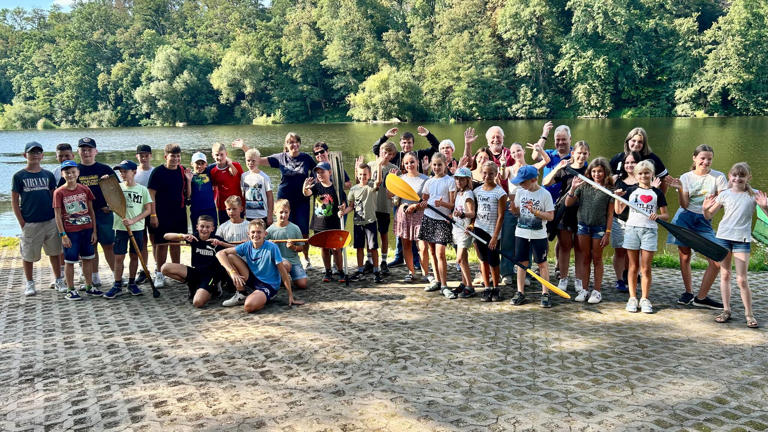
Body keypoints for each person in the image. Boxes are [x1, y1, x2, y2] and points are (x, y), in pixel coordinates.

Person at [232, 133, 316, 269]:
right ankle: (280, 258)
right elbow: (257, 160)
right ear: (286, 145)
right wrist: (244, 147)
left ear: (299, 143)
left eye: (295, 142)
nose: (293, 145)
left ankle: (306, 258)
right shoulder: (280, 158)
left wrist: (315, 184)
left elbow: (317, 171)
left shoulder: (306, 158)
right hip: (284, 199)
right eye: (290, 142)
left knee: (303, 231)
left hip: (302, 200)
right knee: (281, 228)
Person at [703, 163, 766, 328]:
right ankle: (726, 310)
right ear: (730, 176)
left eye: (742, 176)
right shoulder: (724, 194)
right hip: (723, 238)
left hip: (741, 240)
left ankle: (749, 314)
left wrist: (765, 207)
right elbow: (709, 215)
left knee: (741, 279)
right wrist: (704, 209)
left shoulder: (755, 195)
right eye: (735, 175)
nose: (737, 178)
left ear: (748, 177)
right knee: (724, 275)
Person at [665, 144, 726, 309]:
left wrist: (707, 212)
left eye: (709, 159)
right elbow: (684, 205)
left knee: (716, 261)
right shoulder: (685, 177)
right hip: (684, 218)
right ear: (694, 158)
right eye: (702, 158)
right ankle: (688, 292)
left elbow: (720, 203)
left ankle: (701, 297)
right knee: (685, 256)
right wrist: (679, 190)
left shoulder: (719, 177)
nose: (706, 162)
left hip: (704, 220)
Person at [374, 126, 439, 269]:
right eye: (403, 143)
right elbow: (376, 149)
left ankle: (416, 261)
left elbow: (437, 147)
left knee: (417, 233)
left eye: (409, 142)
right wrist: (386, 136)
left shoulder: (419, 154)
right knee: (401, 232)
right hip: (400, 200)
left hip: (416, 199)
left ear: (413, 143)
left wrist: (428, 134)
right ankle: (399, 257)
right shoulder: (396, 156)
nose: (406, 145)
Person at [62, 137, 117, 289]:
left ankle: (116, 276)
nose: (86, 152)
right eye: (83, 149)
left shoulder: (105, 169)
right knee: (90, 246)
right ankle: (94, 277)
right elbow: (62, 192)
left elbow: (117, 191)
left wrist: (111, 205)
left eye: (89, 149)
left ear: (95, 151)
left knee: (108, 245)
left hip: (103, 214)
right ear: (78, 152)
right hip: (82, 216)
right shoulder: (73, 170)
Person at [615, 160, 668, 314]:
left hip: (649, 231)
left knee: (645, 268)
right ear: (636, 175)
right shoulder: (631, 191)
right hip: (632, 229)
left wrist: (657, 215)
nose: (644, 175)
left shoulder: (657, 193)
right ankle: (632, 298)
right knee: (632, 266)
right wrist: (618, 197)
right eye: (641, 173)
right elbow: (618, 211)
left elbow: (666, 215)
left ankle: (644, 298)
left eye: (647, 173)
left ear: (652, 174)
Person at [216, 219, 304, 312]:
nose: (256, 235)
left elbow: (283, 273)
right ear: (248, 234)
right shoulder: (247, 245)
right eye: (253, 232)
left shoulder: (272, 247)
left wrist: (290, 296)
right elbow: (220, 254)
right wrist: (232, 272)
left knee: (248, 307)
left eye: (259, 232)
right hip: (253, 279)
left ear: (265, 234)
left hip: (268, 285)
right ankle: (241, 293)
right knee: (230, 257)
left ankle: (265, 297)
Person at [500, 131, 552, 286]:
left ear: (523, 151)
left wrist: (540, 148)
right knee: (509, 240)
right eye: (513, 151)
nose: (516, 153)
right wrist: (502, 164)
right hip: (513, 206)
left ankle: (526, 272)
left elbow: (547, 160)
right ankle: (507, 272)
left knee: (528, 240)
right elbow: (502, 177)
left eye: (518, 150)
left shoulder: (531, 168)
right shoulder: (509, 168)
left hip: (531, 206)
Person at [13, 141, 65, 296]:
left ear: (42, 156)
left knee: (55, 252)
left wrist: (57, 218)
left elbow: (54, 198)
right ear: (25, 155)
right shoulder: (19, 176)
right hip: (30, 222)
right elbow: (15, 200)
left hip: (49, 220)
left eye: (38, 152)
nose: (35, 155)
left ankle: (58, 279)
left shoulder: (48, 175)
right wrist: (22, 222)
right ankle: (29, 283)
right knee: (28, 255)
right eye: (31, 153)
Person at [564, 157, 614, 304]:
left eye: (600, 171)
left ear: (605, 173)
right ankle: (584, 289)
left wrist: (608, 232)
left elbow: (611, 213)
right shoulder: (584, 185)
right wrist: (573, 188)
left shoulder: (609, 190)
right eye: (594, 171)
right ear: (589, 172)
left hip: (599, 228)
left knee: (597, 259)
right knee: (585, 258)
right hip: (583, 226)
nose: (596, 174)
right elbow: (568, 203)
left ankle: (597, 291)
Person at [543, 140, 589, 296]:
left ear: (588, 154)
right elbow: (546, 182)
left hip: (583, 213)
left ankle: (579, 280)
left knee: (580, 249)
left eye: (584, 153)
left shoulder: (590, 171)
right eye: (579, 152)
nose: (581, 156)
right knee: (564, 247)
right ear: (573, 153)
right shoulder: (566, 170)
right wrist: (558, 166)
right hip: (565, 212)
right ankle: (563, 278)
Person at [103, 160, 152, 299]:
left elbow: (148, 210)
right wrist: (107, 182)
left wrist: (133, 220)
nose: (122, 174)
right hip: (120, 228)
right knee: (119, 257)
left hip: (137, 228)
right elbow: (108, 196)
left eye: (125, 171)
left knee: (134, 256)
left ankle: (132, 283)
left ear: (134, 172)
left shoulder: (142, 189)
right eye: (121, 172)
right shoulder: (117, 188)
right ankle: (117, 284)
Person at [509, 165, 555, 307]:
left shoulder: (544, 194)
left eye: (523, 182)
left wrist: (536, 212)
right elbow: (516, 212)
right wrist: (514, 209)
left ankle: (545, 293)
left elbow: (550, 216)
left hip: (538, 234)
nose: (521, 185)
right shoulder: (520, 192)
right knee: (522, 263)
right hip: (521, 233)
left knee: (542, 263)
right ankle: (520, 292)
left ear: (534, 179)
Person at [161, 215, 228, 308]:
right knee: (165, 268)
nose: (204, 229)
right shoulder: (193, 237)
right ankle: (192, 283)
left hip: (210, 276)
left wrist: (222, 244)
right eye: (202, 226)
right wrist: (183, 236)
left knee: (197, 302)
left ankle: (214, 288)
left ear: (213, 228)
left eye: (208, 227)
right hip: (196, 271)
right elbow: (166, 236)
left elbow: (235, 248)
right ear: (197, 227)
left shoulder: (216, 239)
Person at [53, 160, 97, 300]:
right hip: (71, 231)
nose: (70, 175)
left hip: (87, 229)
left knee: (88, 258)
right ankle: (71, 289)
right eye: (67, 172)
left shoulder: (85, 189)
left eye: (73, 172)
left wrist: (94, 231)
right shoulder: (59, 192)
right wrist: (63, 234)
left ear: (78, 173)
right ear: (62, 174)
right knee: (70, 261)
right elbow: (58, 215)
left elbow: (91, 211)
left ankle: (89, 286)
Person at [148, 143, 189, 288]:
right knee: (161, 244)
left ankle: (177, 271)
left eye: (178, 156)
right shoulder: (158, 172)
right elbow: (151, 194)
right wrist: (153, 214)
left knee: (176, 243)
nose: (176, 159)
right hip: (162, 213)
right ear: (166, 157)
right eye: (173, 156)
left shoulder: (182, 171)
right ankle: (159, 273)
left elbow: (187, 192)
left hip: (179, 212)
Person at [417, 153, 455, 293]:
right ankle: (437, 281)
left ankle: (445, 285)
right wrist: (422, 204)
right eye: (434, 165)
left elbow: (452, 205)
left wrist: (442, 203)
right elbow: (424, 200)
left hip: (442, 220)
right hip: (428, 218)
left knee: (440, 253)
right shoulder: (429, 181)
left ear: (445, 164)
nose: (437, 167)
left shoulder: (450, 181)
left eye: (440, 165)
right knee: (432, 252)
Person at [339, 163, 383, 283]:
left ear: (369, 175)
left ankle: (376, 270)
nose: (362, 176)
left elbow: (379, 181)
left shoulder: (371, 186)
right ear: (357, 175)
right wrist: (343, 212)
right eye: (360, 174)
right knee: (359, 247)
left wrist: (379, 165)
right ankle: (360, 271)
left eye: (365, 174)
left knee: (373, 247)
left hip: (370, 222)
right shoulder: (353, 189)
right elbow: (351, 207)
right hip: (358, 223)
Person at [303, 162, 346, 283]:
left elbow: (343, 203)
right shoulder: (316, 186)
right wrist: (305, 187)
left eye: (323, 172)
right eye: (318, 172)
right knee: (324, 248)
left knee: (336, 249)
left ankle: (340, 270)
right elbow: (306, 193)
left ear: (330, 172)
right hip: (319, 223)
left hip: (334, 223)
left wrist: (342, 208)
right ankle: (328, 271)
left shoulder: (336, 187)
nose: (320, 174)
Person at [471, 161, 507, 302]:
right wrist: (471, 226)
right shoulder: (477, 191)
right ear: (481, 174)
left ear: (496, 174)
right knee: (483, 260)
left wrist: (495, 236)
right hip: (479, 229)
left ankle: (496, 288)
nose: (487, 176)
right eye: (485, 173)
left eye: (491, 173)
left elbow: (501, 216)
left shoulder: (500, 193)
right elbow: (474, 212)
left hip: (492, 233)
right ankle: (486, 288)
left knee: (493, 262)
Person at [393, 152, 429, 284]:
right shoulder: (400, 178)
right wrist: (391, 179)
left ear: (417, 162)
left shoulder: (425, 179)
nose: (410, 165)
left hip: (420, 214)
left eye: (412, 162)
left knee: (423, 246)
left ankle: (426, 273)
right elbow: (389, 195)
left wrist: (415, 205)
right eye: (406, 163)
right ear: (403, 164)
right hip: (404, 214)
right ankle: (411, 272)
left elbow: (427, 201)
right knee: (406, 245)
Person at [610, 151, 643, 293]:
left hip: (637, 222)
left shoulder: (644, 180)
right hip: (619, 221)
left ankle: (631, 276)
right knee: (620, 252)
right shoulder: (617, 180)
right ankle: (619, 280)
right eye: (627, 163)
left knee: (634, 252)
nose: (629, 165)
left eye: (633, 162)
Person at [368, 142, 399, 275]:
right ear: (379, 151)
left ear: (392, 156)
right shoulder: (370, 165)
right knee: (370, 235)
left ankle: (384, 261)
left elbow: (396, 190)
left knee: (384, 234)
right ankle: (369, 261)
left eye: (389, 154)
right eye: (384, 152)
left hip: (384, 206)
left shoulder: (394, 169)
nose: (386, 156)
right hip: (370, 206)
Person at [265, 199, 309, 290]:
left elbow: (301, 248)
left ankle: (289, 277)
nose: (284, 215)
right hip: (279, 262)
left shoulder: (295, 228)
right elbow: (260, 247)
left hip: (294, 261)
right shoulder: (269, 230)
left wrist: (293, 247)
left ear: (289, 212)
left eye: (286, 212)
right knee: (285, 266)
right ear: (275, 212)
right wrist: (268, 245)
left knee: (302, 285)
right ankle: (280, 278)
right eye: (281, 212)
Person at [610, 127, 668, 193]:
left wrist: (661, 197)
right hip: (621, 197)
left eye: (640, 142)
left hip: (645, 198)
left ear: (644, 144)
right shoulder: (618, 158)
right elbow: (606, 177)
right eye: (633, 141)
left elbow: (664, 179)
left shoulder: (653, 159)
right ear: (628, 141)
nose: (636, 144)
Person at [448, 167, 475, 299]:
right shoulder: (458, 193)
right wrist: (452, 216)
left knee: (459, 259)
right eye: (457, 178)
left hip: (465, 230)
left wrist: (463, 214)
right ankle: (464, 283)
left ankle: (470, 286)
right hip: (456, 229)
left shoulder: (468, 194)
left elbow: (472, 213)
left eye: (462, 179)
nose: (458, 181)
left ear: (467, 180)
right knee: (463, 259)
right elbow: (456, 209)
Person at [134, 144, 155, 285]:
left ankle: (158, 270)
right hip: (138, 213)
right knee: (141, 242)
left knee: (155, 241)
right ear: (137, 156)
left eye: (146, 155)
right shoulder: (133, 172)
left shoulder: (155, 171)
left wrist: (154, 214)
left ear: (151, 156)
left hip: (152, 212)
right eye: (141, 155)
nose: (144, 158)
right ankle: (144, 269)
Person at [210, 142, 244, 224]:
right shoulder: (213, 171)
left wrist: (244, 204)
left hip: (238, 205)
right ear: (213, 155)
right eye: (217, 155)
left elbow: (245, 185)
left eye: (222, 154)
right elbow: (213, 189)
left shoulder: (236, 165)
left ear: (226, 154)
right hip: (223, 207)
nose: (219, 157)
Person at [186, 152, 217, 235]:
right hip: (196, 210)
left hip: (210, 209)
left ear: (206, 164)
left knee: (212, 234)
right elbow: (188, 196)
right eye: (197, 163)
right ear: (192, 164)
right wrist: (189, 181)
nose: (200, 166)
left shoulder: (209, 171)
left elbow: (222, 160)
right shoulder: (190, 176)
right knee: (197, 235)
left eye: (202, 163)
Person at [242, 147, 273, 225]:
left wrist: (270, 215)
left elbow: (270, 197)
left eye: (253, 161)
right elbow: (243, 194)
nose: (250, 163)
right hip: (249, 214)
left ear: (258, 161)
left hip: (262, 214)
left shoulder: (264, 177)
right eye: (248, 160)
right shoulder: (244, 176)